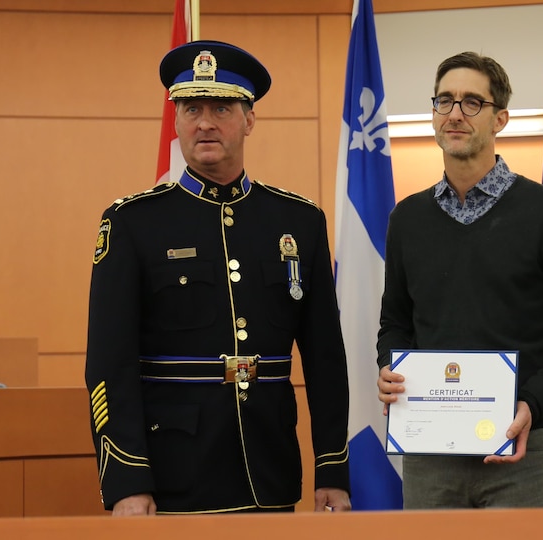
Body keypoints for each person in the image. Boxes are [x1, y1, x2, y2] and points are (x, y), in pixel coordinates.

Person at [85, 40, 351, 515]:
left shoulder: (298, 221)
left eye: (222, 107)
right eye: (191, 108)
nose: (204, 122)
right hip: (173, 475)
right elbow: (109, 365)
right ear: (177, 120)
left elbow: (326, 358)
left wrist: (331, 467)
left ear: (249, 119)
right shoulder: (132, 223)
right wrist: (126, 479)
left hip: (269, 473)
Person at [375, 51, 543, 509]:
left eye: (471, 102)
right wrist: (390, 368)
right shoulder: (407, 218)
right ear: (433, 114)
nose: (455, 113)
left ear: (500, 118)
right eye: (444, 100)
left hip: (522, 453)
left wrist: (532, 404)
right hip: (430, 457)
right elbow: (395, 324)